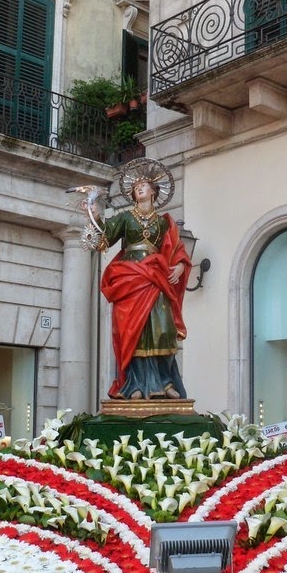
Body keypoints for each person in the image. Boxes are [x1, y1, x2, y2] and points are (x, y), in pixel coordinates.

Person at [87, 159, 192, 400]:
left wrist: (180, 265)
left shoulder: (164, 222)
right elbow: (105, 238)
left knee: (162, 328)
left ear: (153, 191)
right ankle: (133, 384)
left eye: (143, 185)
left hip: (156, 277)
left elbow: (176, 249)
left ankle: (165, 382)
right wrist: (95, 217)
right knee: (131, 329)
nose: (139, 189)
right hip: (131, 277)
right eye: (136, 187)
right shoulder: (126, 218)